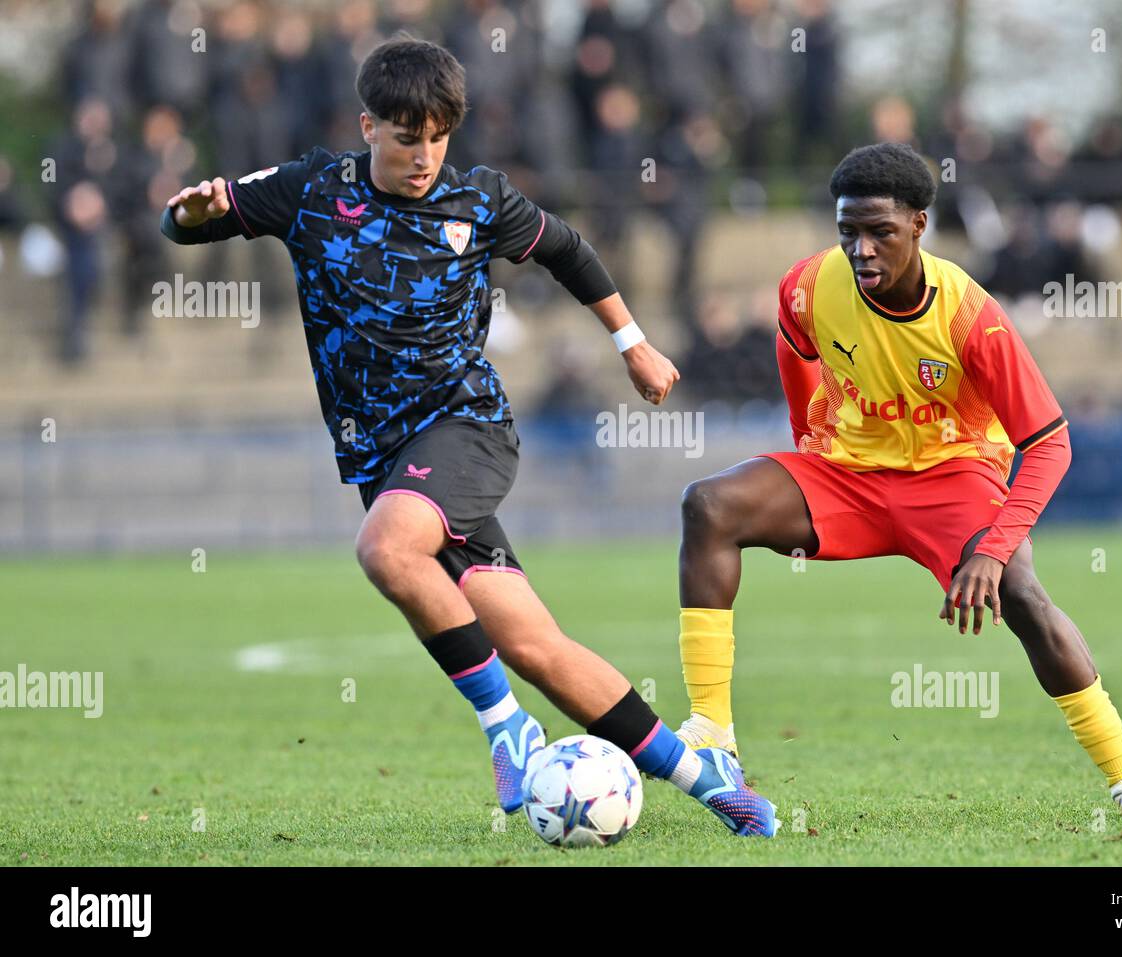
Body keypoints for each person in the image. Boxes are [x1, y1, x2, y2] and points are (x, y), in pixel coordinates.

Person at [160, 35, 776, 837]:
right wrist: (188, 211)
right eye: (407, 135)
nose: (424, 155)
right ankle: (710, 779)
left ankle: (506, 729)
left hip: (465, 426)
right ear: (369, 125)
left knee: (385, 550)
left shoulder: (480, 200)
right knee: (534, 645)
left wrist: (633, 344)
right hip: (387, 458)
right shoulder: (312, 189)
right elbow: (187, 225)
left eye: (438, 136)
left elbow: (570, 251)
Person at [672, 142, 1122, 822]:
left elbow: (1051, 443)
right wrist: (807, 431)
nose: (862, 250)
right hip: (850, 472)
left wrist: (993, 550)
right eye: (847, 230)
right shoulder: (808, 283)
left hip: (953, 476)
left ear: (918, 224)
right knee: (708, 505)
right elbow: (795, 340)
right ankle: (713, 731)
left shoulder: (972, 316)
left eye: (880, 231)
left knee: (1023, 595)